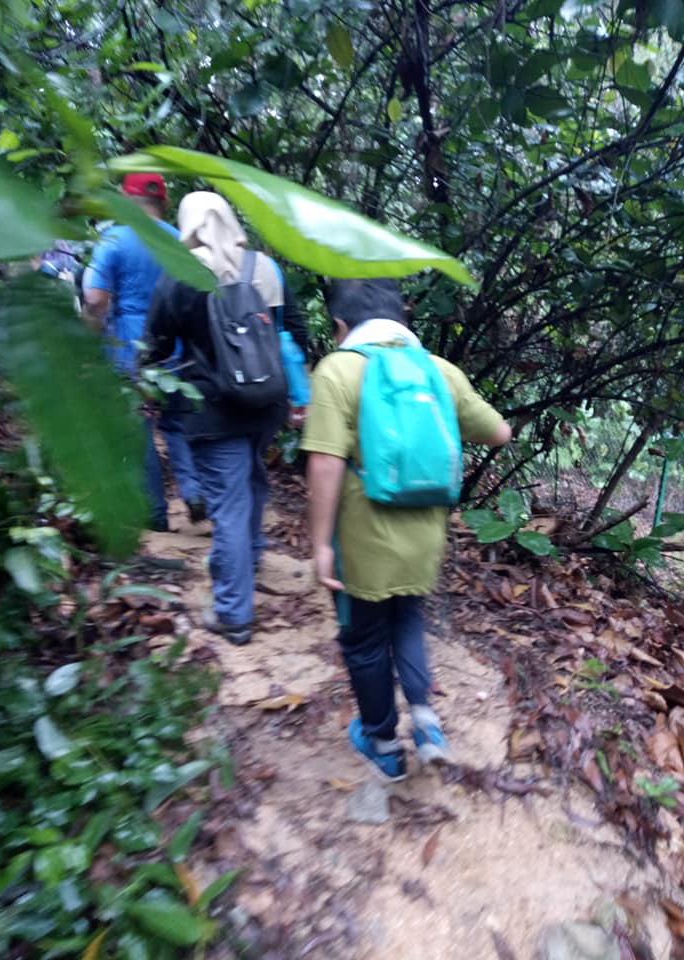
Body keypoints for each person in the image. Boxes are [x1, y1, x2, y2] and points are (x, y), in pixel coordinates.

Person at [301, 278, 511, 782]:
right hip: (424, 538)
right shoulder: (439, 370)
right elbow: (499, 432)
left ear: (341, 326)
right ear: (403, 317)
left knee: (364, 639)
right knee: (408, 619)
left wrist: (320, 545)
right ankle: (426, 721)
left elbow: (325, 464)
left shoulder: (338, 370)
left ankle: (383, 744)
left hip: (362, 541)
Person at [146, 191, 309, 645]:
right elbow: (295, 331)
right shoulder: (264, 268)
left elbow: (155, 344)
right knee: (252, 479)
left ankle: (233, 613)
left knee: (230, 504)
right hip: (267, 402)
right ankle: (249, 556)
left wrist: (157, 382)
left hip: (212, 408)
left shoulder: (181, 273)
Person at [82, 173, 205, 531]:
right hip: (178, 347)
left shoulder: (113, 240)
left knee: (139, 425)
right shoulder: (181, 243)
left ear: (125, 201)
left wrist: (88, 345)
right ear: (164, 202)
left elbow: (95, 301)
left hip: (130, 345)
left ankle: (155, 514)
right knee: (176, 423)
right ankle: (194, 492)